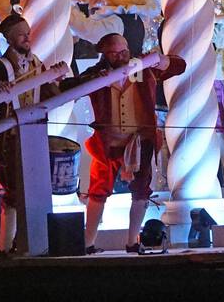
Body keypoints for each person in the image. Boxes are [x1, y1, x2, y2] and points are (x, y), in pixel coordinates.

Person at [0, 14, 70, 258]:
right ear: (10, 38)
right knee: (13, 191)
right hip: (8, 140)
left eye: (28, 33)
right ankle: (8, 245)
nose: (27, 38)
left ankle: (22, 243)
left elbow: (49, 95)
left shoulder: (36, 64)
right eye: (22, 34)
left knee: (28, 191)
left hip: (33, 137)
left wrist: (57, 80)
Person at [74, 34, 184, 254]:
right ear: (105, 55)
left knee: (141, 190)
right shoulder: (97, 74)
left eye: (124, 50)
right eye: (115, 53)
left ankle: (132, 241)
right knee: (98, 190)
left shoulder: (142, 68)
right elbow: (71, 86)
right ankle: (87, 243)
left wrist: (162, 60)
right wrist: (96, 79)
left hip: (140, 142)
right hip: (108, 143)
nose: (122, 56)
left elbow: (179, 66)